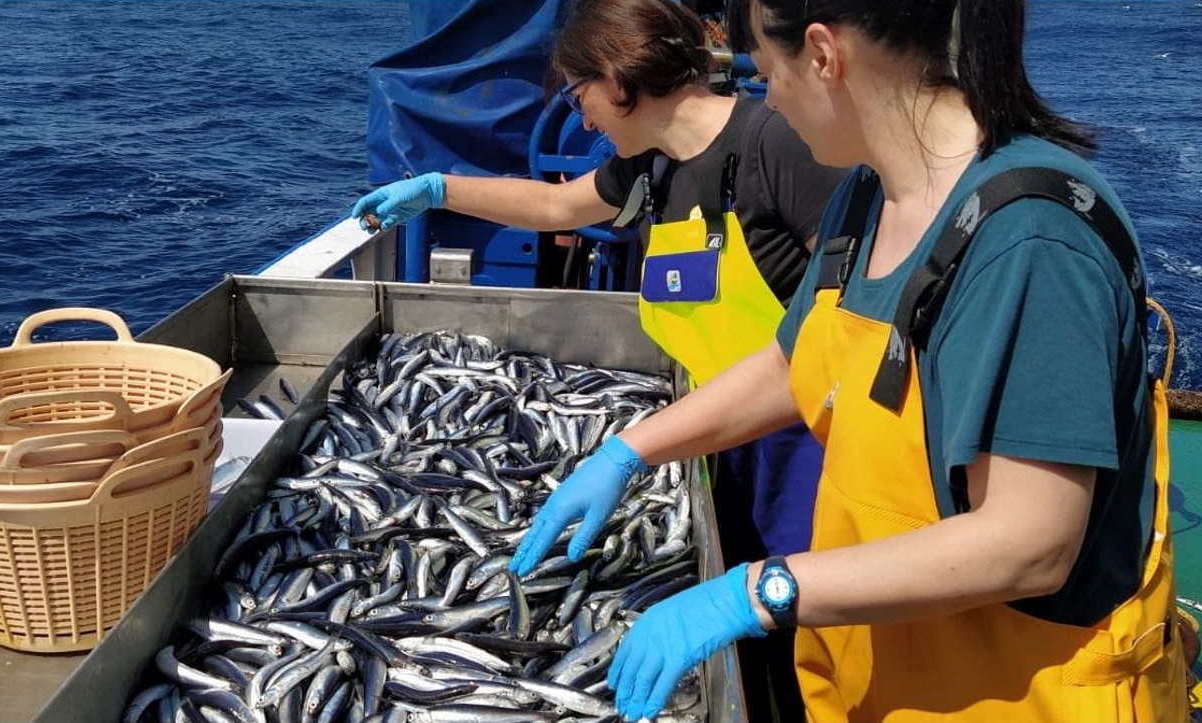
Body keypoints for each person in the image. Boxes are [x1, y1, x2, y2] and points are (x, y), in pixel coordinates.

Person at [508, 0, 1191, 720]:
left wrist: (756, 592)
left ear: (825, 56)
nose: (765, 98)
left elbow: (1030, 542)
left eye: (769, 74)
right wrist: (627, 451)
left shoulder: (1032, 241)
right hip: (895, 670)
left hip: (1025, 694)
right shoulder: (867, 196)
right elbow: (793, 362)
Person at [354, 2, 844, 720]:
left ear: (618, 83)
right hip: (718, 442)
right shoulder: (652, 166)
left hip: (811, 458)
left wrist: (626, 453)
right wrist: (439, 189)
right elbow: (557, 209)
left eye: (579, 94)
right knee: (753, 654)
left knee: (816, 654)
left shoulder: (778, 148)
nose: (581, 118)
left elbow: (844, 329)